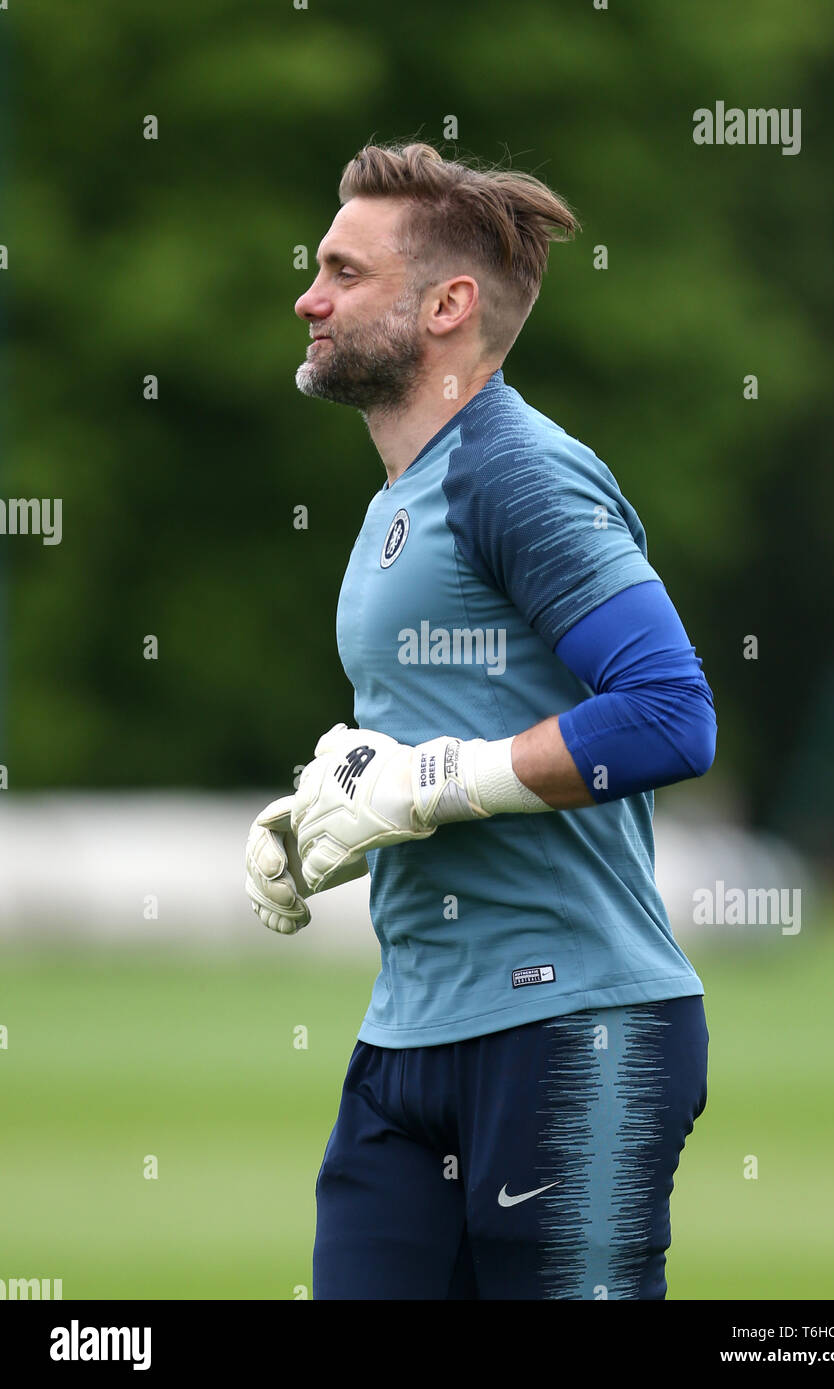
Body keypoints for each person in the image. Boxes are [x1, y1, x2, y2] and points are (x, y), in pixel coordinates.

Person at [245, 141, 716, 1300]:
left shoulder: (511, 472)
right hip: (408, 1042)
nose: (308, 297)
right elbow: (439, 734)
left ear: (446, 304)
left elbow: (668, 715)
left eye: (342, 272)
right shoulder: (400, 495)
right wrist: (327, 808)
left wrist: (437, 783)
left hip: (571, 1034)